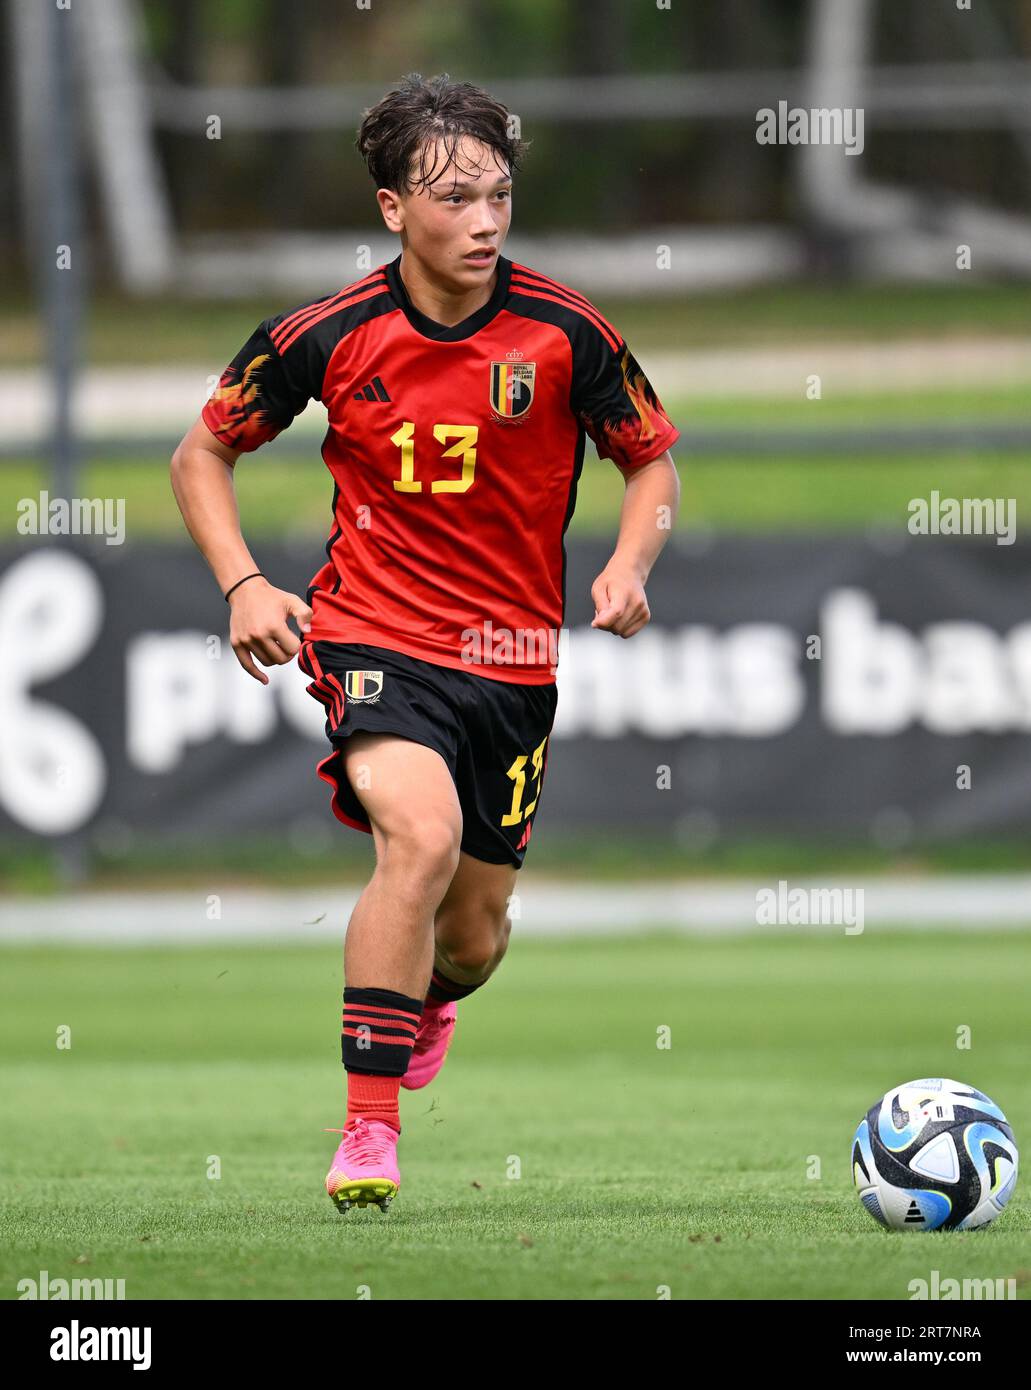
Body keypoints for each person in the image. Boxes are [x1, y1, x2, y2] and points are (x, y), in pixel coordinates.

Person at [170, 72, 680, 1213]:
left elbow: (649, 460)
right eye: (453, 197)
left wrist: (625, 563)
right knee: (420, 832)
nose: (485, 219)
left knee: (478, 935)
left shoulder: (565, 332)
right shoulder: (325, 335)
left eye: (498, 193)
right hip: (374, 634)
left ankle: (430, 997)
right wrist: (245, 581)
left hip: (513, 661)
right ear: (394, 209)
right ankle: (368, 1128)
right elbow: (199, 453)